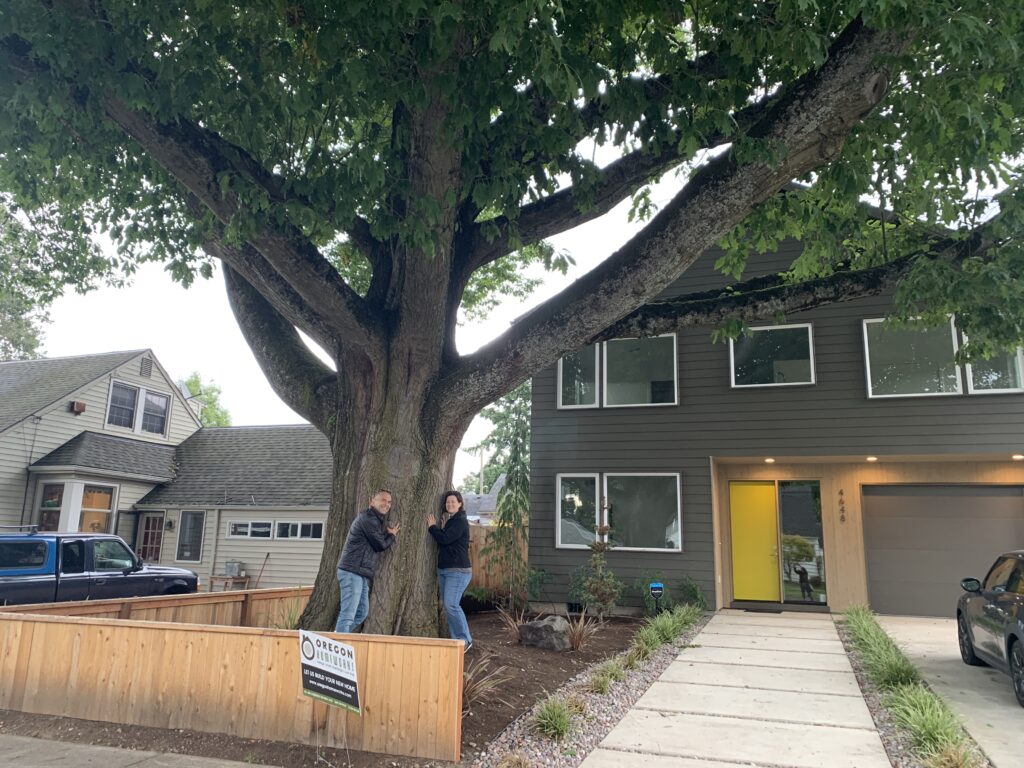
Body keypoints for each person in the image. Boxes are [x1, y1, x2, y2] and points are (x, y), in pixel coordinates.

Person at [334, 488, 400, 633]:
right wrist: (392, 535)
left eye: (389, 502)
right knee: (348, 615)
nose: (387, 504)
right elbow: (380, 545)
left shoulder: (374, 520)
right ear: (372, 501)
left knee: (361, 613)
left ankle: (337, 637)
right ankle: (337, 645)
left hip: (361, 573)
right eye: (383, 500)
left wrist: (385, 533)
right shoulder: (368, 519)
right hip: (352, 571)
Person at [427, 490, 473, 651]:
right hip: (445, 570)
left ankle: (465, 639)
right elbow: (446, 539)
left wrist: (432, 528)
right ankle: (456, 641)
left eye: (453, 501)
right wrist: (441, 529)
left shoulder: (460, 521)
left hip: (458, 571)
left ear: (460, 504)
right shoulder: (452, 521)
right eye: (447, 502)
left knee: (451, 605)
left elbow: (445, 539)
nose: (450, 504)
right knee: (449, 606)